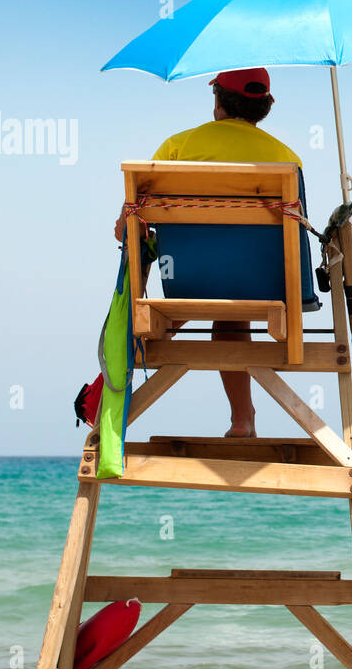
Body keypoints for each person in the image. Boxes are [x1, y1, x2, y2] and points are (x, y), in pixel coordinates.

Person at [112, 67, 301, 437]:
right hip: (262, 285)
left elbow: (128, 227)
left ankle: (134, 354)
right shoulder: (287, 158)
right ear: (267, 105)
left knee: (197, 288)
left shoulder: (177, 147)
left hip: (186, 280)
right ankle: (242, 420)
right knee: (232, 302)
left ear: (217, 101)